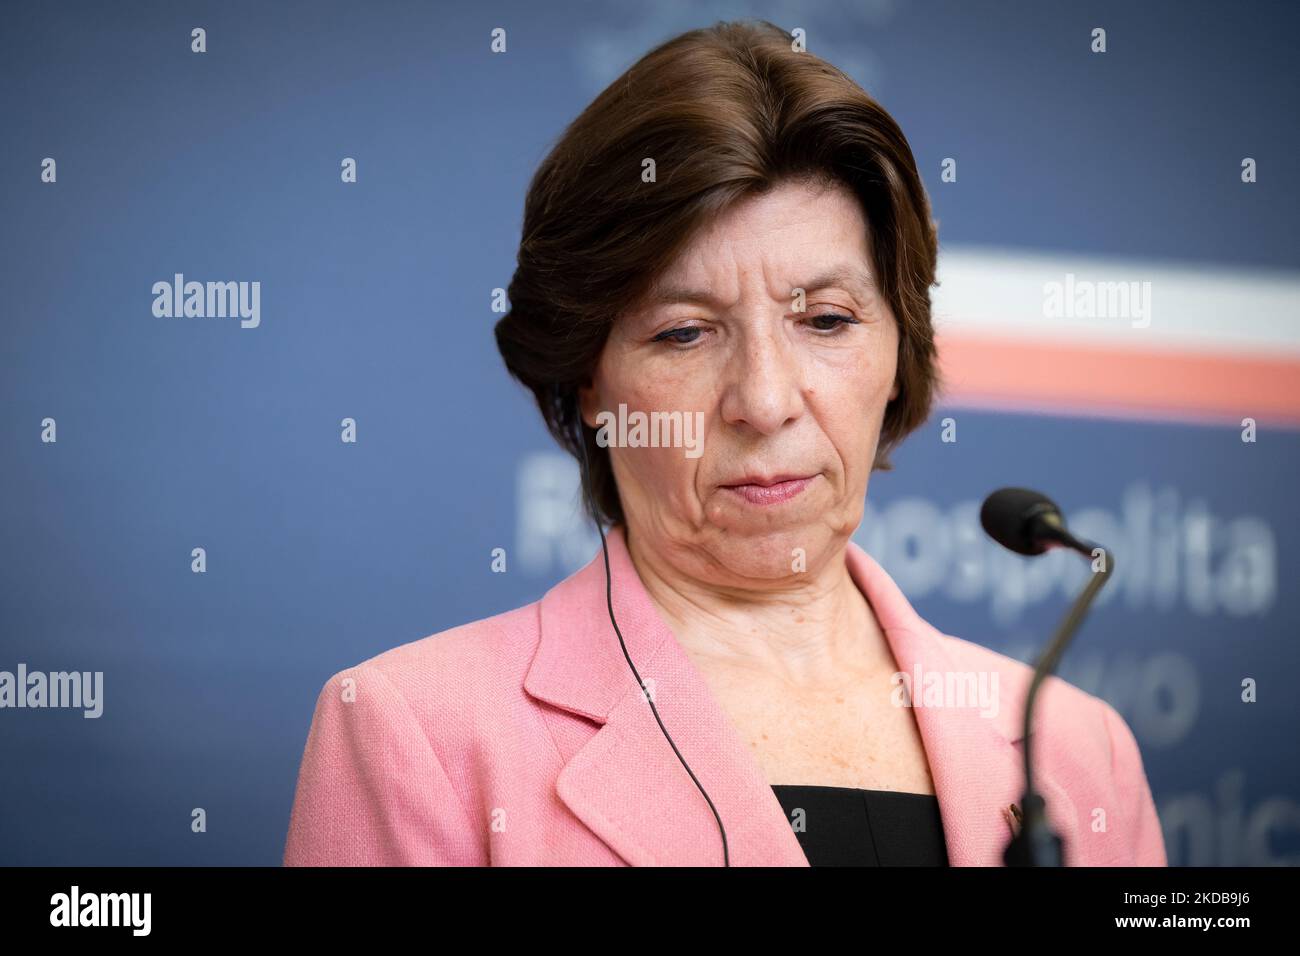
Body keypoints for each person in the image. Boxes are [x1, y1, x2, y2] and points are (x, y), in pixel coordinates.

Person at [283, 19, 1166, 867]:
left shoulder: (1079, 750)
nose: (765, 401)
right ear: (588, 379)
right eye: (684, 333)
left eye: (825, 320)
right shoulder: (418, 732)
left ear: (900, 350)